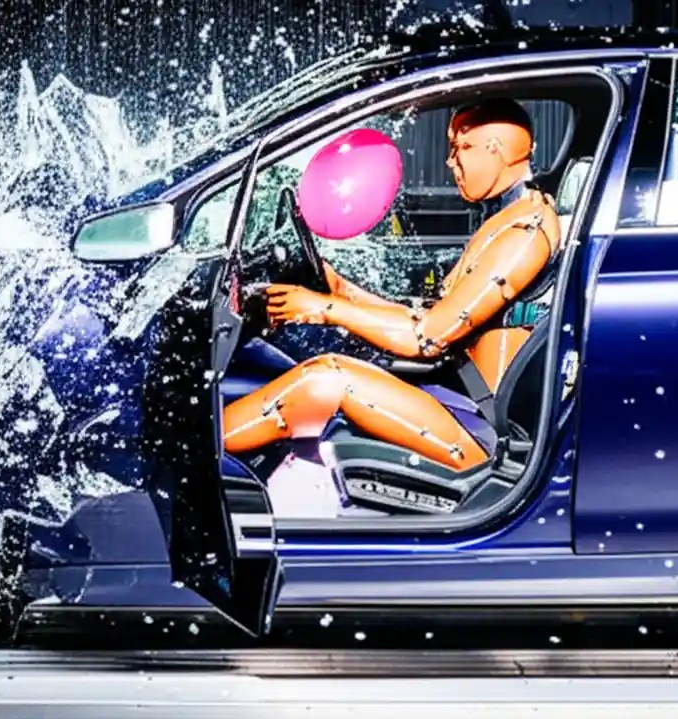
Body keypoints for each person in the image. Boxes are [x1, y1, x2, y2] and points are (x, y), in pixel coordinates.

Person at [222, 99, 562, 471]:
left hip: (481, 425)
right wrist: (340, 289)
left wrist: (323, 308)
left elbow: (427, 337)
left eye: (459, 148)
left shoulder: (525, 232)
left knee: (324, 379)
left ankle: (193, 459)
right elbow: (431, 317)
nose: (450, 162)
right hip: (459, 395)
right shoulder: (506, 218)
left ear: (494, 149)